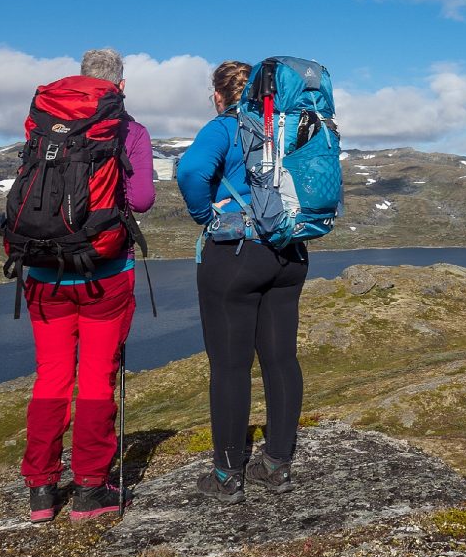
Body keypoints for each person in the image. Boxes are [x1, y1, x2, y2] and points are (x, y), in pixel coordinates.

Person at [21, 48, 155, 522]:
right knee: (96, 378)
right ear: (121, 85)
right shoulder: (130, 130)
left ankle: (41, 490)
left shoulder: (44, 123)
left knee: (52, 377)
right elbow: (143, 200)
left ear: (80, 79)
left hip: (43, 273)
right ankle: (90, 489)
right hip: (105, 272)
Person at [176, 60, 309, 504]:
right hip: (290, 253)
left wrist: (205, 215)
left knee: (231, 366)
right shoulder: (286, 128)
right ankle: (276, 465)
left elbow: (191, 171)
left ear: (219, 95)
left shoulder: (223, 127)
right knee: (281, 359)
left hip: (237, 253)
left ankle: (227, 475)